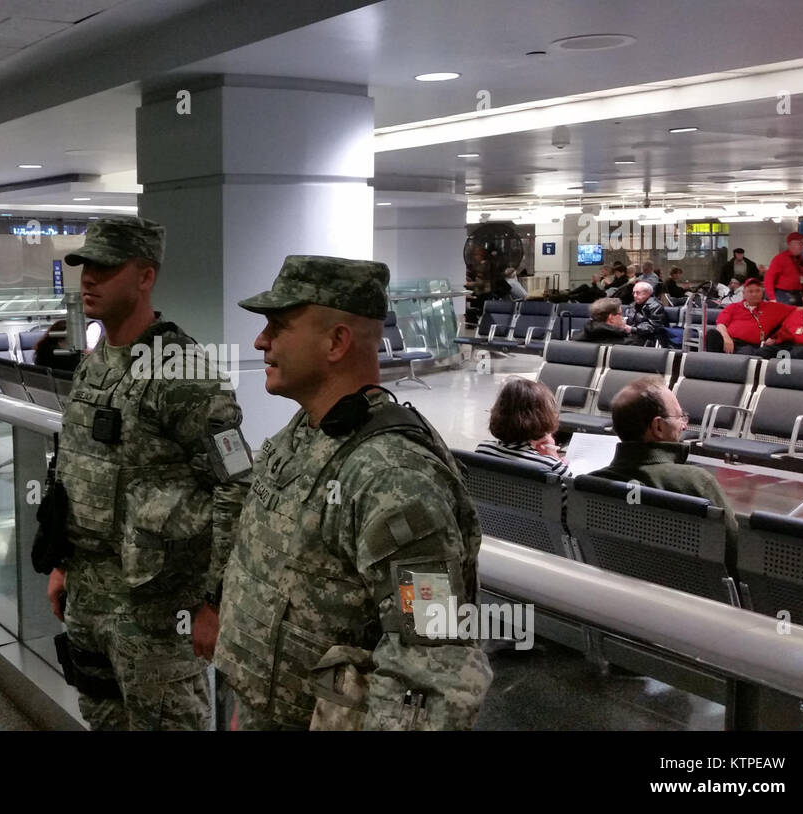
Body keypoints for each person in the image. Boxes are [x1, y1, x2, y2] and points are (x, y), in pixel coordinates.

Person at [214, 254, 492, 731]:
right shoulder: (305, 432)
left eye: (278, 326)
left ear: (337, 341)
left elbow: (431, 663)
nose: (261, 341)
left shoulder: (394, 476)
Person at [46, 216, 252, 731]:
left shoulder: (183, 371)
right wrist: (61, 562)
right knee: (101, 717)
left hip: (158, 611)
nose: (89, 279)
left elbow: (235, 486)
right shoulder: (96, 363)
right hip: (89, 593)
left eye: (106, 268)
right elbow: (73, 467)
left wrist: (215, 601)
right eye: (84, 266)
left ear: (145, 276)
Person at [589, 376, 737, 560]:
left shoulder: (590, 485)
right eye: (679, 417)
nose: (684, 424)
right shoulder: (696, 482)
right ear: (658, 426)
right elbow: (734, 549)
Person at [475, 378, 570, 478]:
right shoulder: (552, 466)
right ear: (543, 418)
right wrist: (554, 457)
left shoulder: (483, 450)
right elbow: (571, 490)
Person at [711, 278, 794, 356]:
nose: (754, 294)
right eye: (750, 291)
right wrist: (726, 338)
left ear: (762, 293)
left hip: (750, 346)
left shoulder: (773, 307)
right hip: (728, 339)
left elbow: (799, 311)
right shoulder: (733, 307)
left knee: (746, 351)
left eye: (758, 291)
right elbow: (720, 325)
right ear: (744, 294)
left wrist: (777, 337)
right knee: (712, 335)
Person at [764, 232, 803, 306]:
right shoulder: (780, 259)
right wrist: (772, 298)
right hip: (783, 295)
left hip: (798, 294)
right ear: (790, 244)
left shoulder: (800, 259)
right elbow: (769, 279)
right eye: (800, 243)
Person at [626, 281, 670, 346]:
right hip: (636, 336)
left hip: (651, 339)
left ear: (648, 293)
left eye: (638, 293)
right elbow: (630, 321)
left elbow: (653, 327)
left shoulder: (656, 306)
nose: (635, 295)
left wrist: (632, 329)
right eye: (633, 293)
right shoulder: (633, 305)